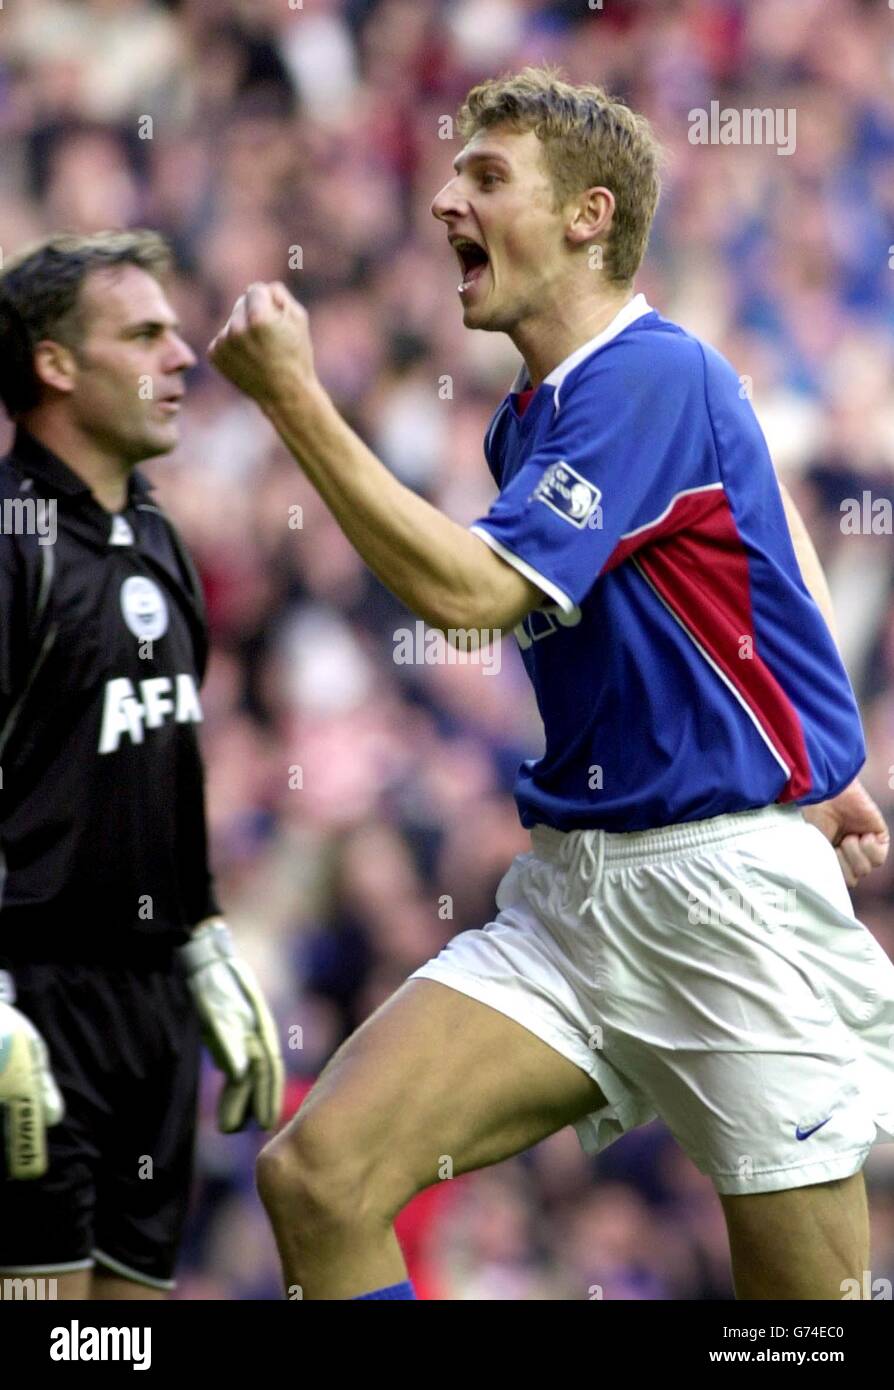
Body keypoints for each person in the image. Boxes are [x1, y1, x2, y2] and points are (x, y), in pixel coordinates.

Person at [208, 68, 894, 1301]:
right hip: (579, 899)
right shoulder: (553, 411)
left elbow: (472, 595)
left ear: (587, 214)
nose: (440, 201)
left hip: (727, 908)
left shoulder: (644, 374)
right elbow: (768, 515)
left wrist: (294, 401)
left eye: (484, 177)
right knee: (320, 1178)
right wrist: (825, 754)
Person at [0, 231, 284, 1301]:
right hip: (34, 1009)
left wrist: (203, 932)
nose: (183, 357)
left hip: (151, 1009)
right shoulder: (10, 542)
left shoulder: (159, 537)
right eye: (146, 334)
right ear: (55, 366)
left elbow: (164, 762)